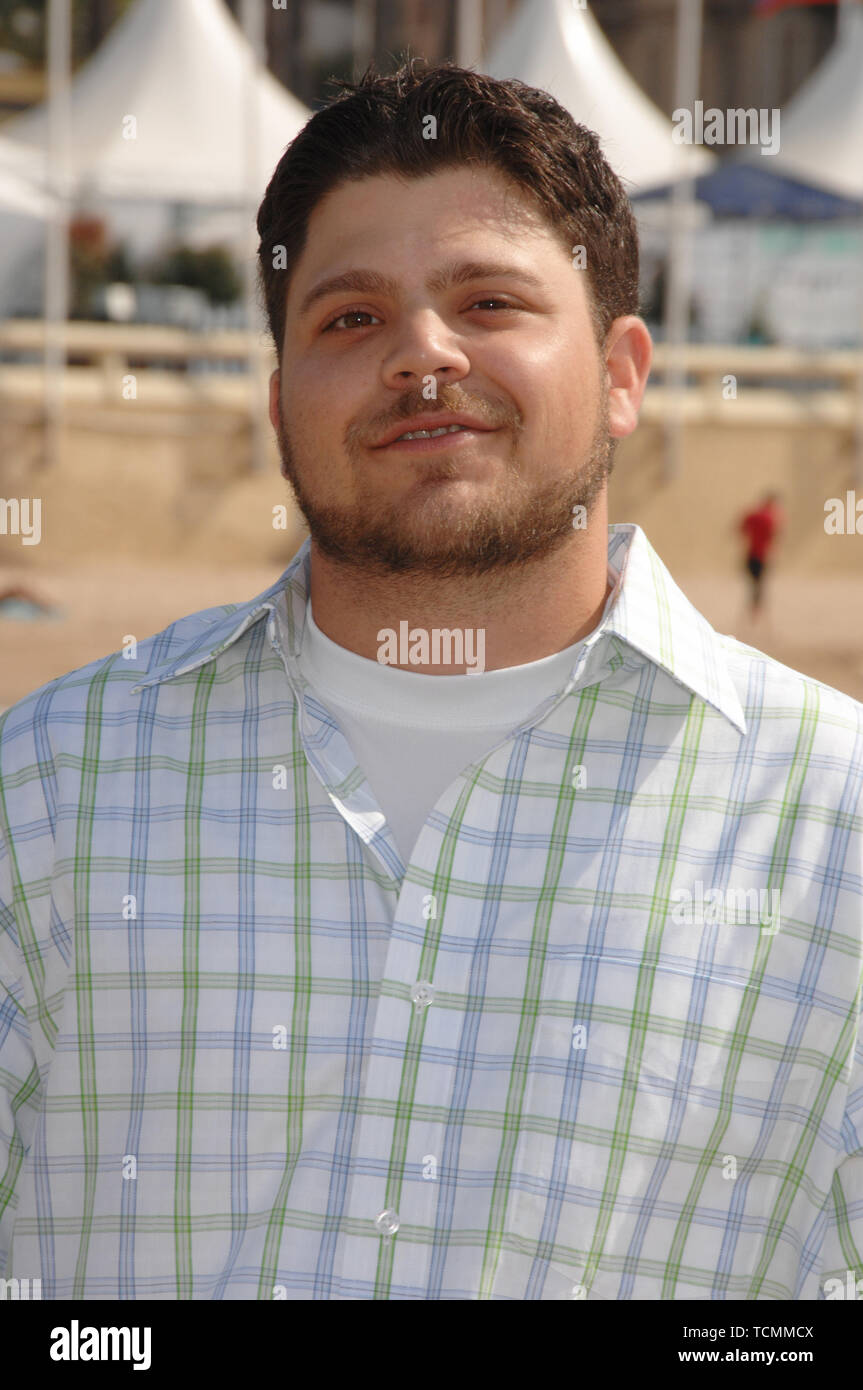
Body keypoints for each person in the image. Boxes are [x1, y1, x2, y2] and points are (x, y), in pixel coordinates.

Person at [1, 61, 861, 1303]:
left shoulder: (832, 829)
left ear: (624, 373)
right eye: (349, 317)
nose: (423, 355)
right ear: (280, 398)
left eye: (490, 300)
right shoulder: (46, 792)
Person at [739, 491, 785, 615]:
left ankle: (753, 613)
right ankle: (756, 615)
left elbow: (742, 529)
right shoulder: (770, 518)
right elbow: (775, 537)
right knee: (759, 587)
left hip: (751, 556)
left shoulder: (753, 515)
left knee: (754, 586)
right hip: (762, 557)